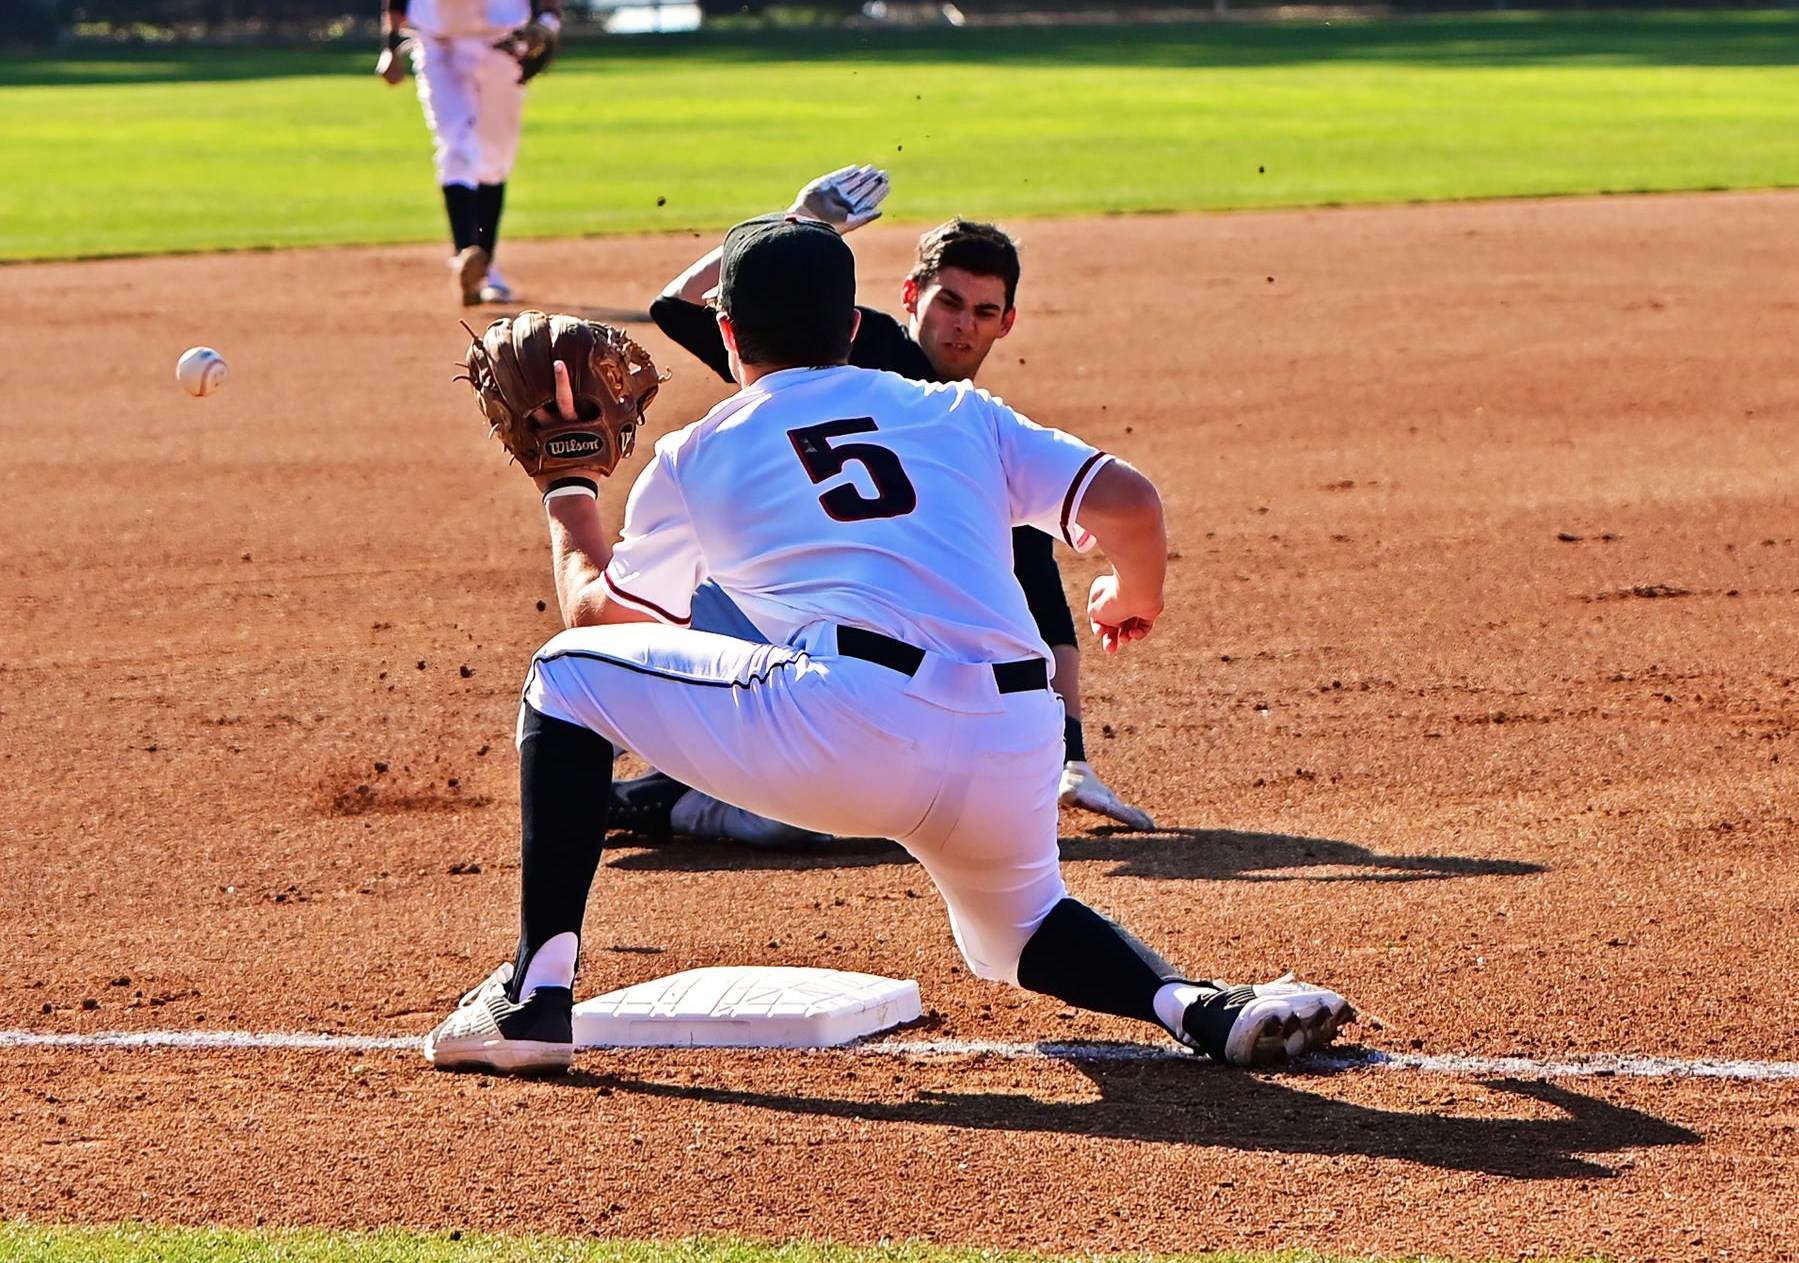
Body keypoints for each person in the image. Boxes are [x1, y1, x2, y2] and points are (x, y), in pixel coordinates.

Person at [421, 215, 1357, 1075]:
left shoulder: (698, 451)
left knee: (563, 676)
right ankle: (1198, 1007)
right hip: (1012, 737)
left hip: (846, 730)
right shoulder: (958, 413)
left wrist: (569, 486)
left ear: (730, 334)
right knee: (1017, 928)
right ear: (857, 327)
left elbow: (601, 619)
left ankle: (532, 996)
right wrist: (1128, 595)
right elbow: (1130, 502)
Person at [608, 167, 1155, 850]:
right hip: (749, 608)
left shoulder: (983, 429)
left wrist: (1072, 756)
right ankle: (583, 751)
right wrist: (797, 225)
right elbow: (677, 308)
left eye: (984, 313)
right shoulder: (848, 351)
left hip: (839, 681)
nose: (962, 326)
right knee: (630, 624)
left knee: (816, 813)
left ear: (1007, 322)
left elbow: (1044, 606)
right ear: (906, 298)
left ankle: (651, 800)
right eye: (949, 303)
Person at [376, 0, 561, 306]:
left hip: (504, 43)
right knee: (455, 146)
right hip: (440, 46)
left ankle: (485, 268)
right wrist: (390, 45)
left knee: (495, 156)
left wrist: (548, 21)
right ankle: (468, 257)